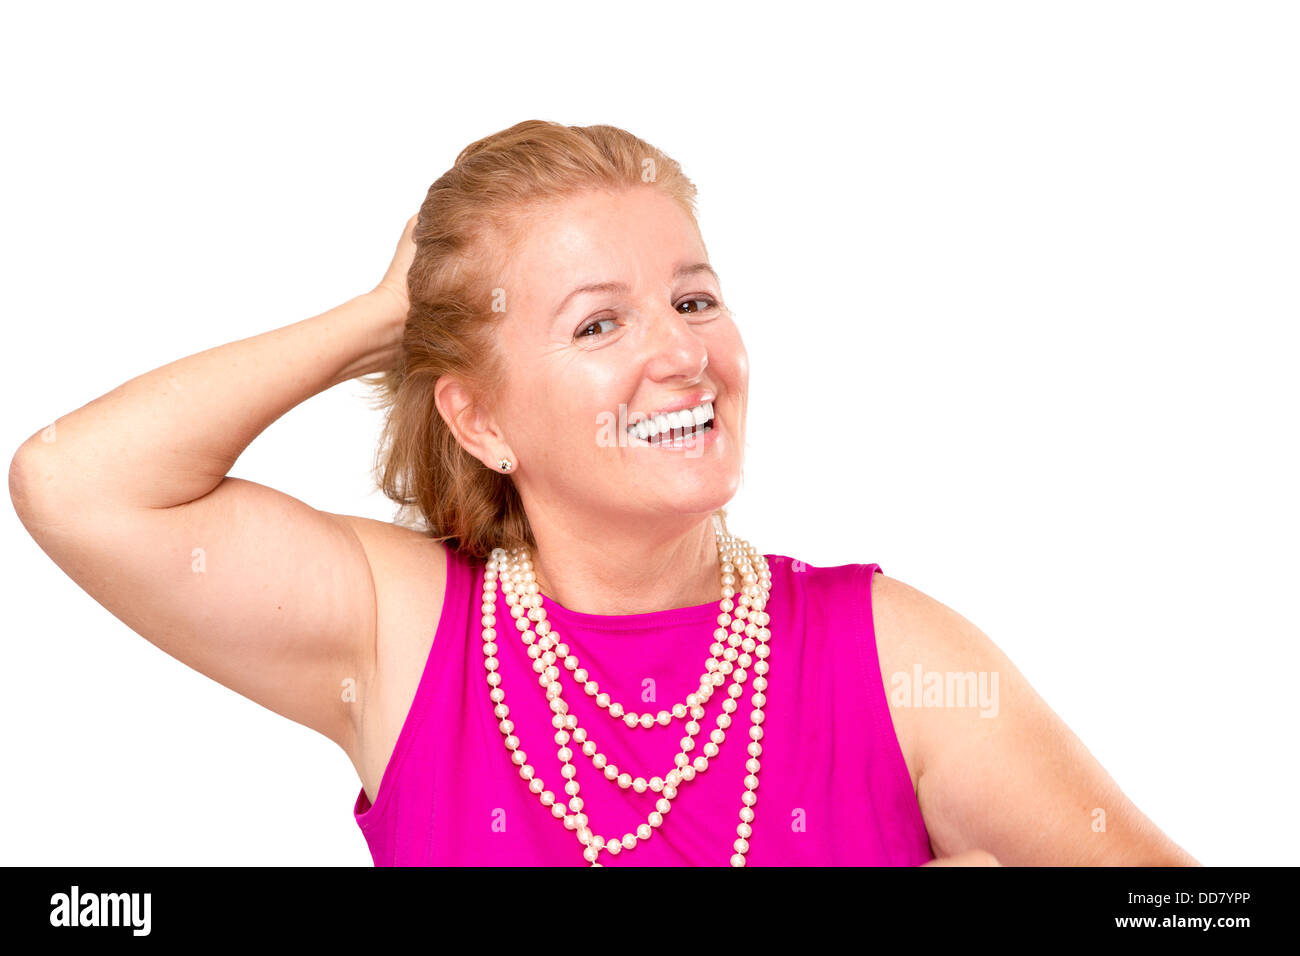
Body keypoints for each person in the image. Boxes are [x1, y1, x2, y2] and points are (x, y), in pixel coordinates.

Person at [9, 119, 1198, 867]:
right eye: (598, 320)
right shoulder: (405, 629)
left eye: (693, 298)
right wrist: (385, 317)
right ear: (476, 416)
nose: (682, 353)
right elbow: (78, 484)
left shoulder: (883, 652)